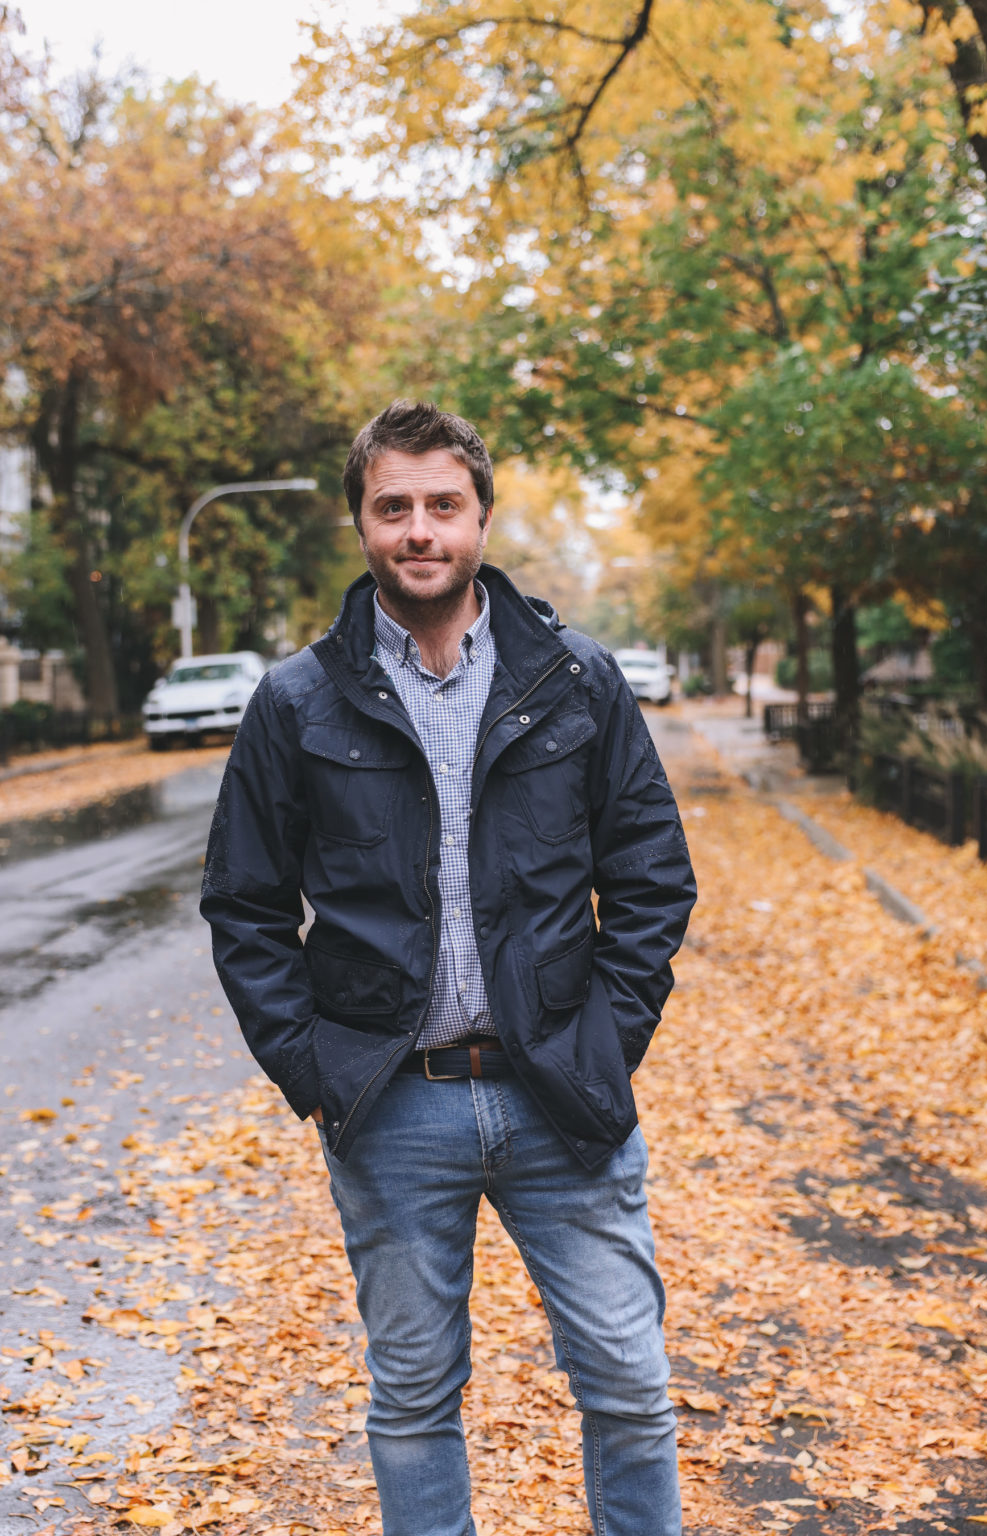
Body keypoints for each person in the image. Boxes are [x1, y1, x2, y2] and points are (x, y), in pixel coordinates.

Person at [201, 399, 697, 1536]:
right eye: (393, 508)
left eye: (442, 505)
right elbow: (243, 901)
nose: (418, 530)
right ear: (362, 524)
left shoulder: (575, 678)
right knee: (415, 1396)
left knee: (626, 1382)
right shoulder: (296, 701)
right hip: (391, 1106)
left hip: (560, 1094)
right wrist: (315, 1069)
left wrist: (605, 1039)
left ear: (480, 515)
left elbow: (652, 876)